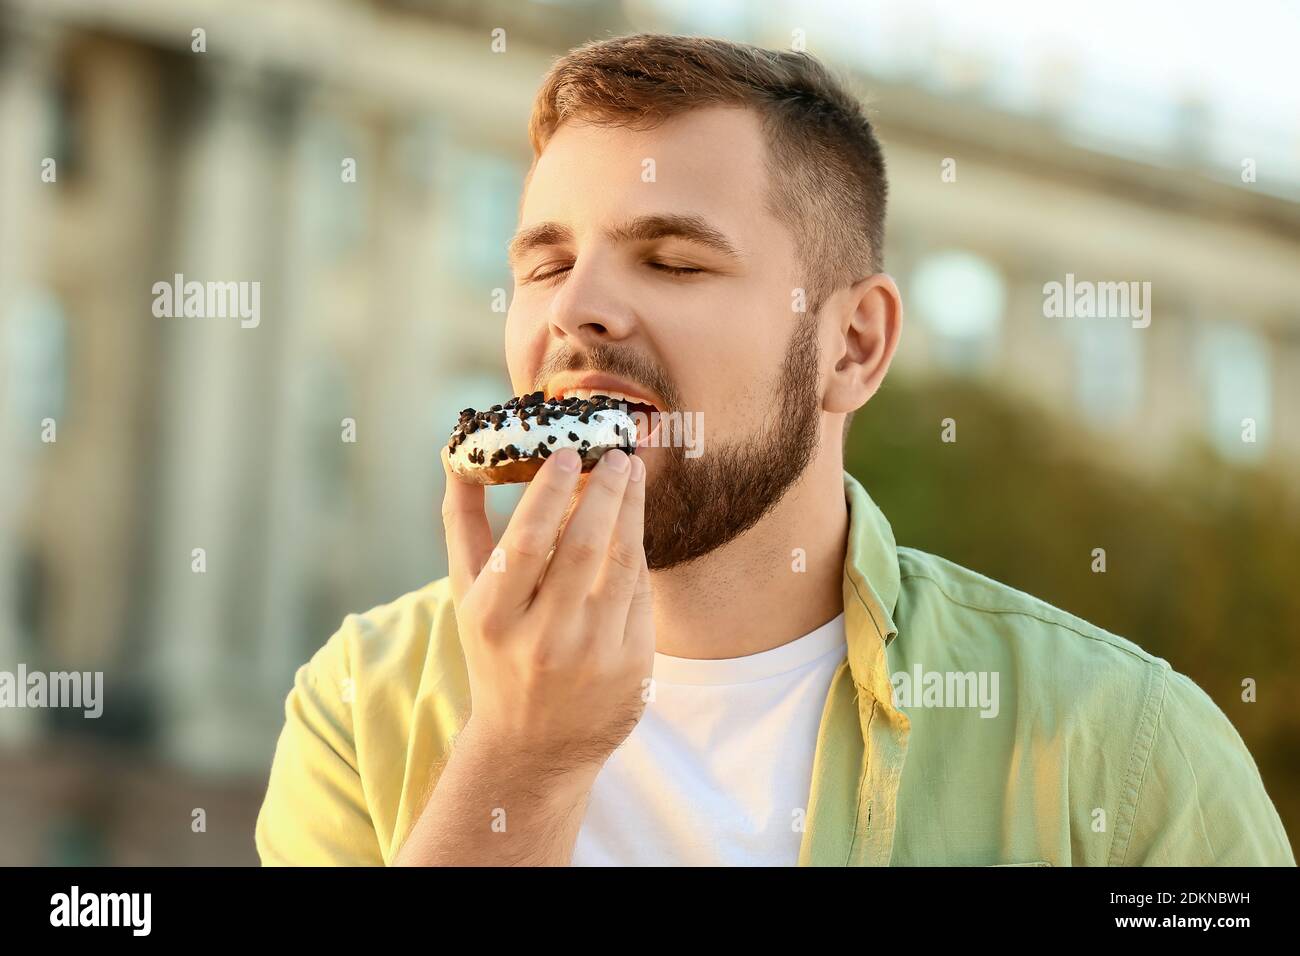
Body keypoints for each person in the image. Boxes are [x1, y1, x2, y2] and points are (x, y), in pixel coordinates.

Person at [255, 34, 1294, 867]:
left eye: (672, 261)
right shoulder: (360, 701)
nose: (575, 311)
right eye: (544, 262)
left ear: (852, 345)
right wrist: (519, 765)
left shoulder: (1123, 742)